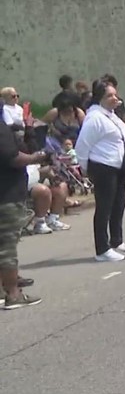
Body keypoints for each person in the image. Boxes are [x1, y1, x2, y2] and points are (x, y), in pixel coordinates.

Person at [74, 80, 125, 263]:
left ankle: (117, 241)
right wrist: (85, 169)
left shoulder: (111, 115)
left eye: (115, 95)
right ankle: (102, 249)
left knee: (120, 202)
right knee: (104, 207)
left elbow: (123, 134)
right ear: (99, 98)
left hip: (117, 166)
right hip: (103, 167)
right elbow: (82, 146)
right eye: (109, 95)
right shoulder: (95, 118)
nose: (114, 98)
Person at [0, 119, 49, 309]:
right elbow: (11, 157)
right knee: (6, 247)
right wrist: (36, 157)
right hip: (6, 196)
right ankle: (13, 293)